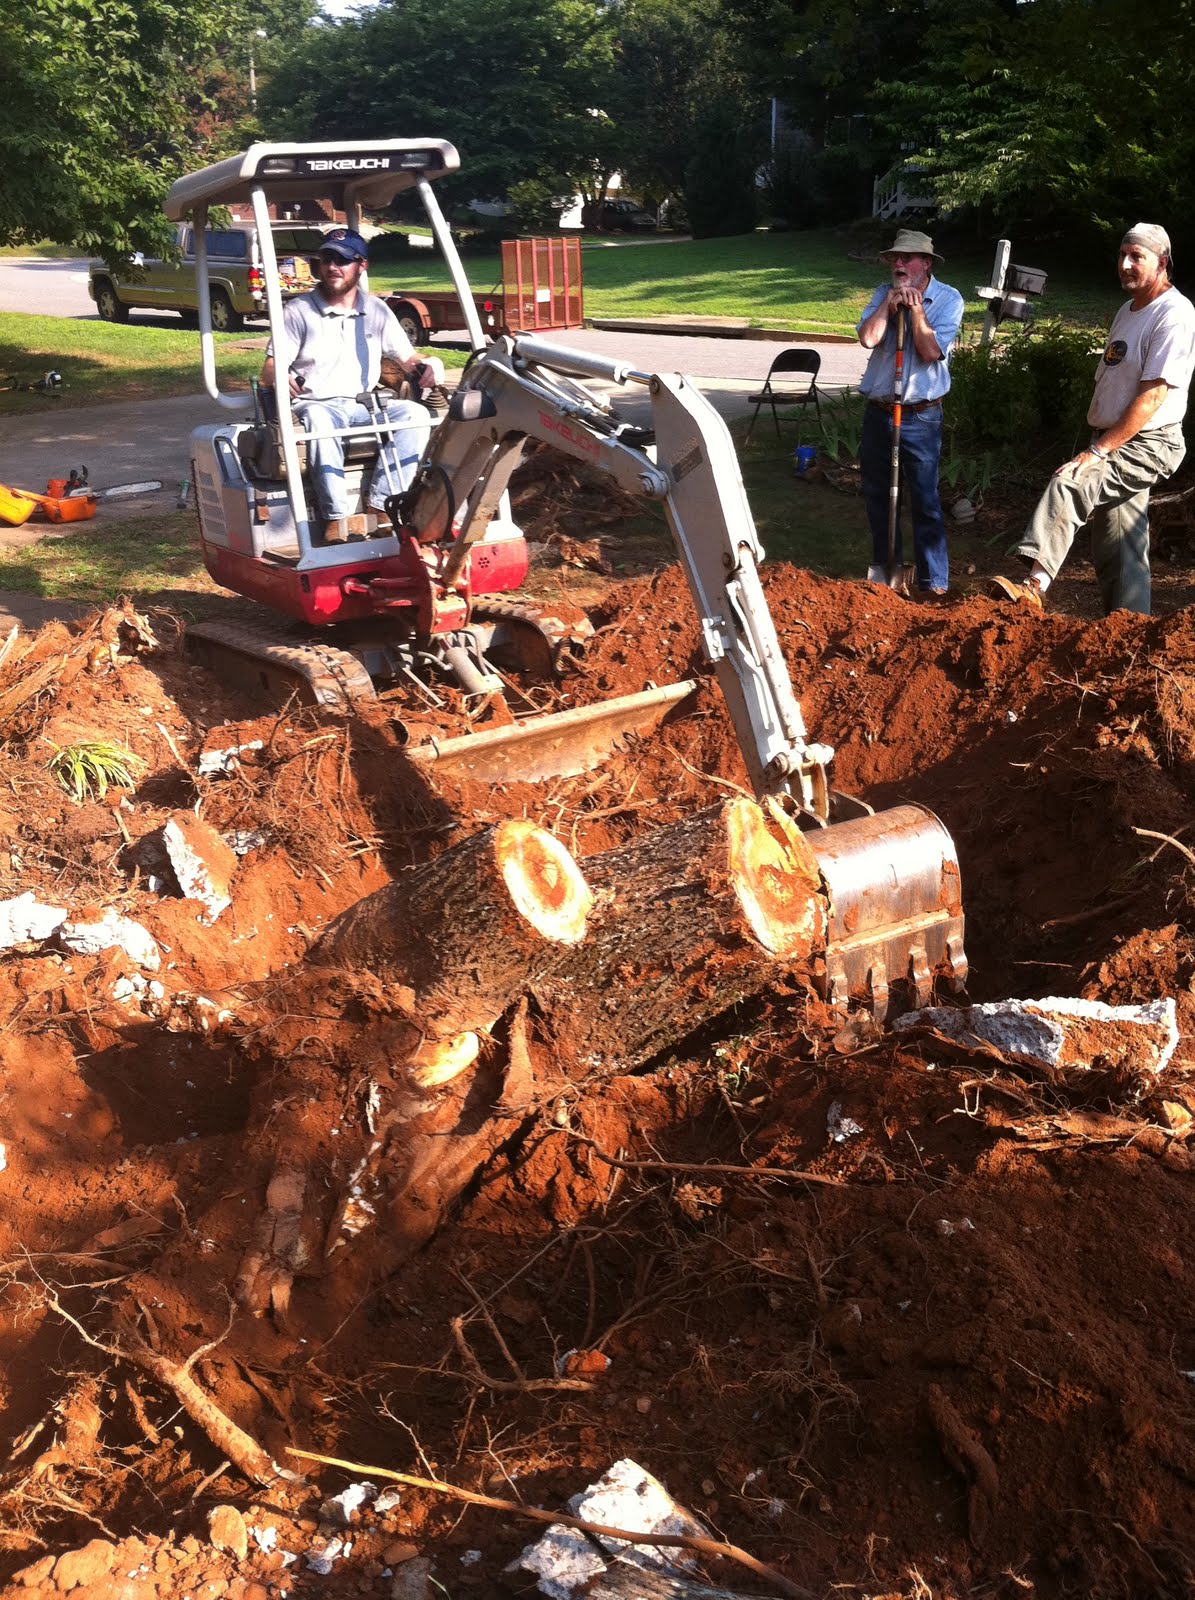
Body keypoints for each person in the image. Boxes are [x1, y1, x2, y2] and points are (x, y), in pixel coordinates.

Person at [992, 223, 1195, 614]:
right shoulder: (1128, 310)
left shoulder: (1175, 313)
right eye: (1122, 255)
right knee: (1118, 545)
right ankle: (1129, 630)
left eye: (1137, 257)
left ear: (1163, 263)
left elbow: (1153, 395)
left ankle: (1033, 586)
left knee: (1071, 482)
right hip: (1118, 437)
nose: (1125, 264)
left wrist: (1098, 451)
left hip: (1150, 441)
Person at [260, 226, 438, 542]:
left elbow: (408, 357)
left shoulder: (376, 311)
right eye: (327, 259)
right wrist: (280, 376)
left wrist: (428, 367)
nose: (332, 267)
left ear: (361, 265)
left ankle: (381, 506)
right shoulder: (299, 311)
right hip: (316, 404)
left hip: (362, 404)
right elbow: (270, 368)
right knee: (320, 420)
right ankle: (336, 519)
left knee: (416, 415)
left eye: (342, 260)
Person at [857, 228, 965, 597]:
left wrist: (916, 309)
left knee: (924, 499)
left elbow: (930, 351)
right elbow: (868, 338)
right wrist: (889, 306)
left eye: (907, 257)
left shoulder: (949, 299)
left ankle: (933, 583)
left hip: (919, 415)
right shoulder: (880, 295)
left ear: (927, 263)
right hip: (880, 411)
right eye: (894, 258)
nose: (898, 263)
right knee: (878, 496)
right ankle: (888, 574)